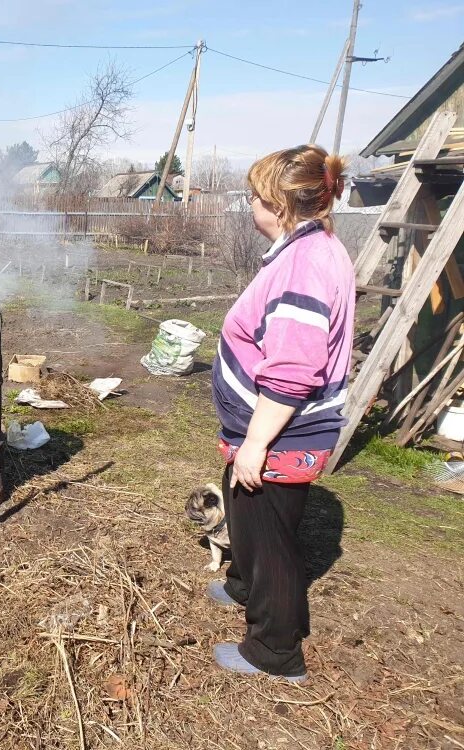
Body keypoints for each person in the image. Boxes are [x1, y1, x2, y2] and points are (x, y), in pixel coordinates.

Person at [208, 145, 354, 681]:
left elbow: (293, 371)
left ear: (279, 204)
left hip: (280, 433)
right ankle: (244, 585)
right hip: (270, 429)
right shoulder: (309, 248)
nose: (249, 205)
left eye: (253, 196)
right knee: (250, 514)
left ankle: (274, 649)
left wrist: (255, 443)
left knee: (271, 540)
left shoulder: (305, 266)